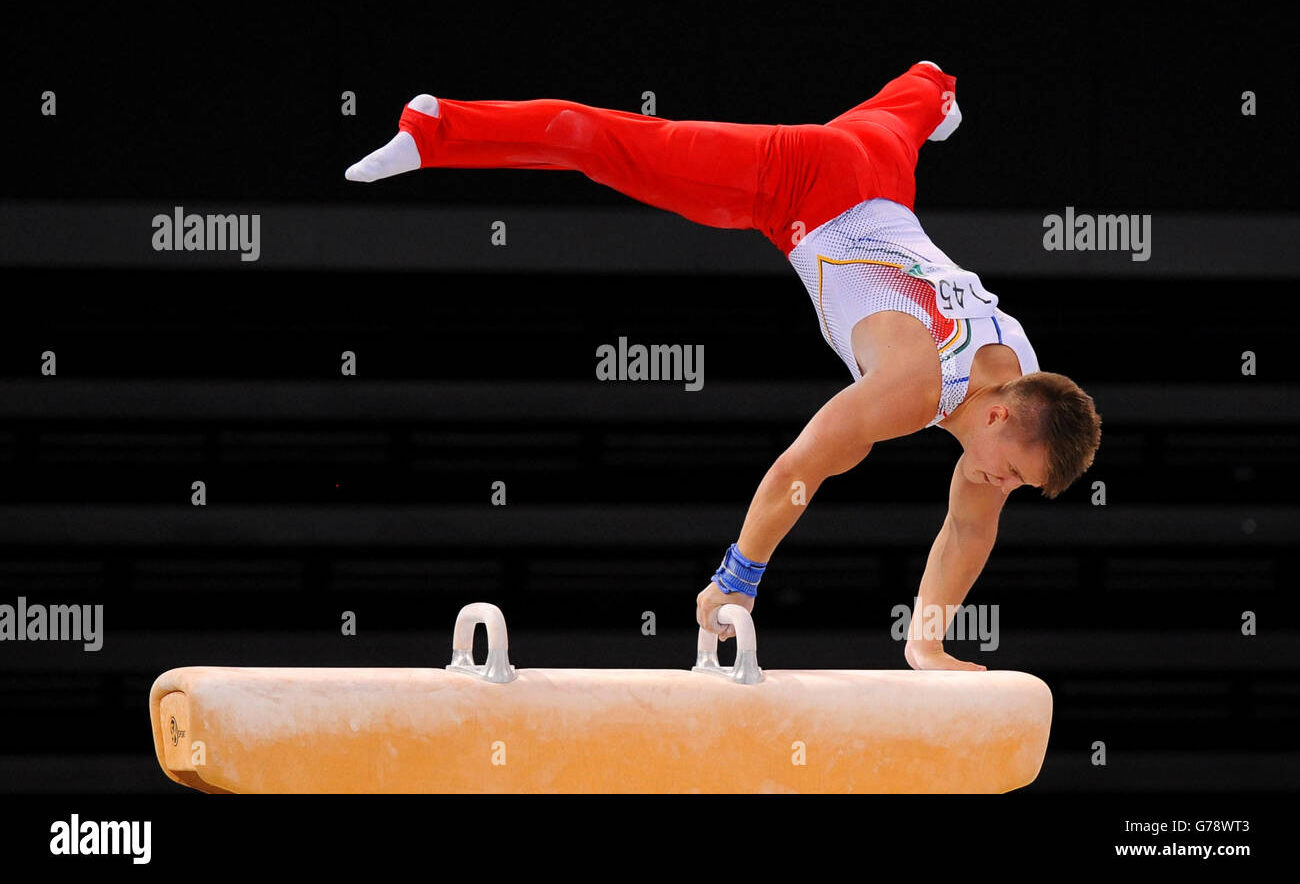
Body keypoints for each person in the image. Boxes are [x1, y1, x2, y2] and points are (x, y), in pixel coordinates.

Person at [346, 61, 1102, 671]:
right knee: (616, 146)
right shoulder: (913, 387)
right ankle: (434, 127)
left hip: (882, 181)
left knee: (897, 115)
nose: (999, 484)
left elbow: (969, 535)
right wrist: (738, 577)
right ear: (1000, 413)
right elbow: (798, 469)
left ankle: (931, 90)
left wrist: (926, 642)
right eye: (1010, 471)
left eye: (1017, 486)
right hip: (804, 185)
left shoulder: (1021, 384)